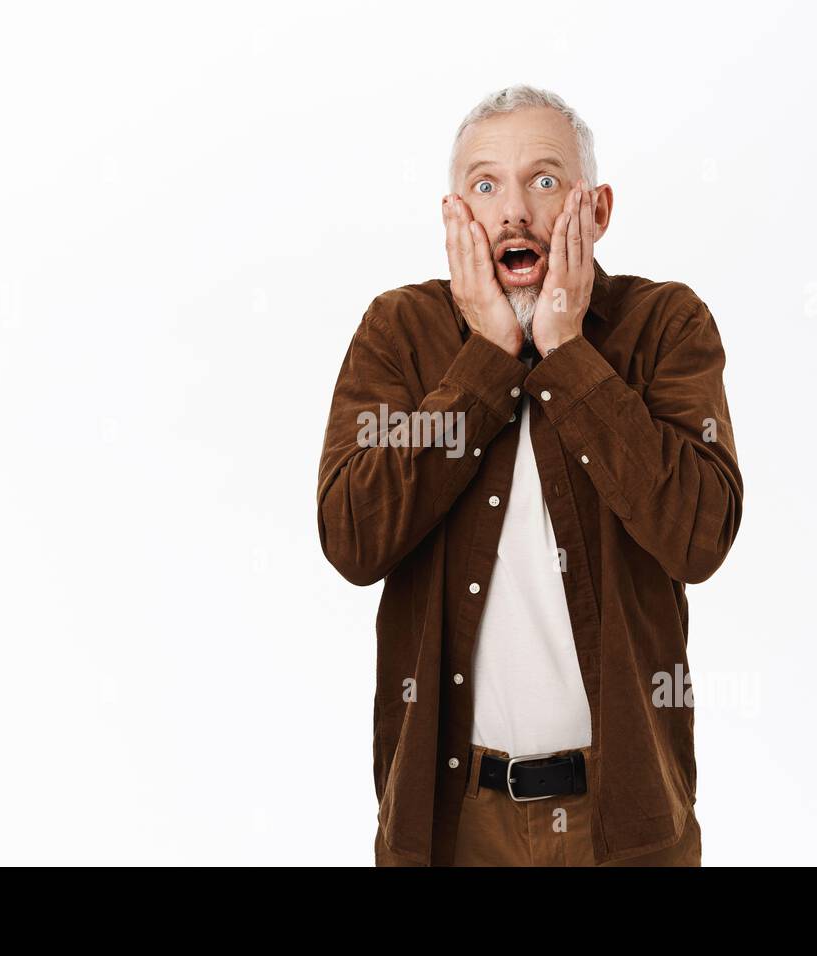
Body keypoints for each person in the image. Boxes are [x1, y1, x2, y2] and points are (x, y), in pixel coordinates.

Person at [317, 85, 743, 866]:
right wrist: (486, 358)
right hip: (449, 824)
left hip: (623, 821)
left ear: (597, 208)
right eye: (486, 186)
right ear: (457, 216)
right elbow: (352, 538)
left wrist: (567, 352)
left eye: (544, 181)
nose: (514, 211)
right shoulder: (399, 331)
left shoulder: (666, 325)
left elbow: (700, 537)